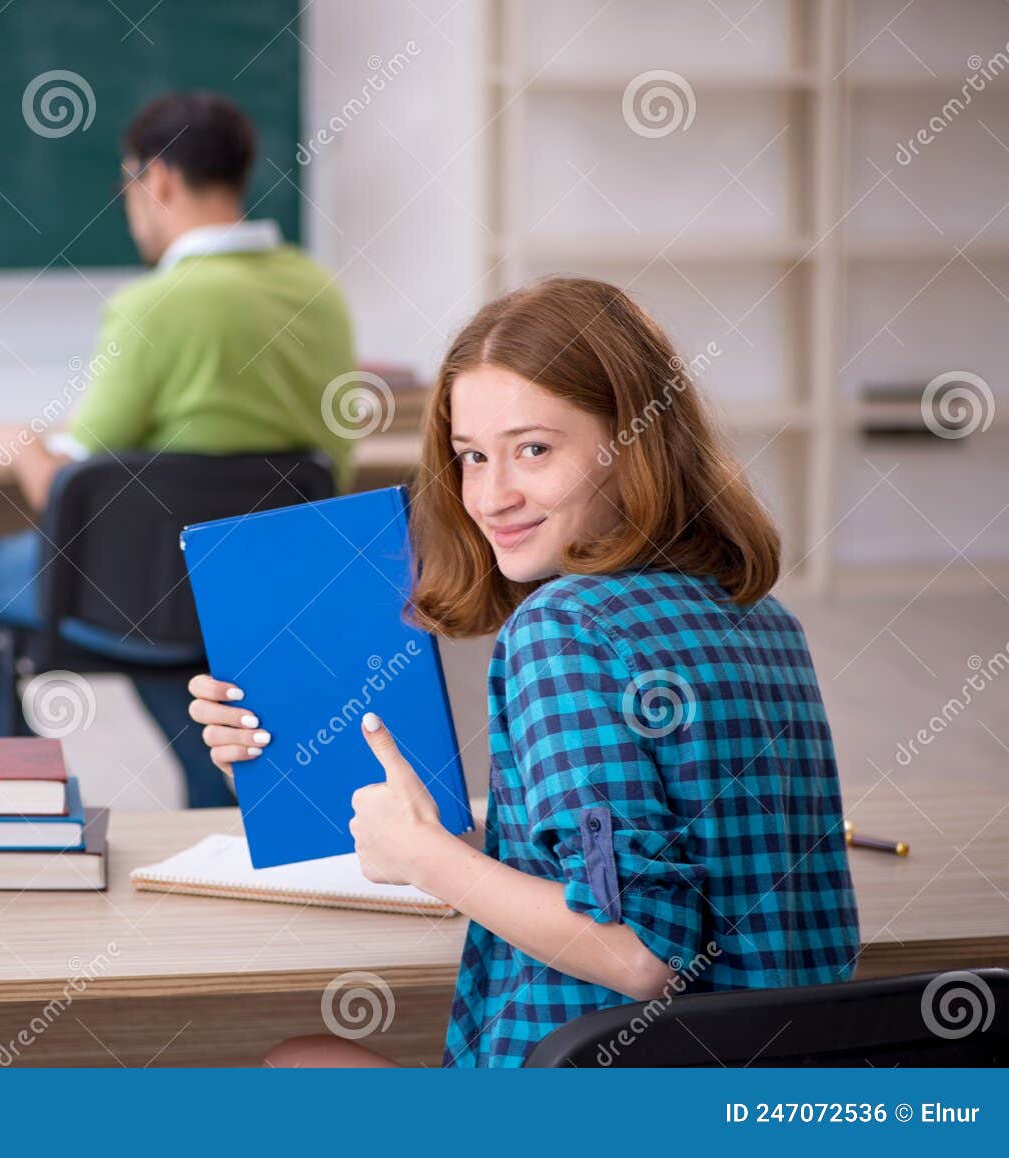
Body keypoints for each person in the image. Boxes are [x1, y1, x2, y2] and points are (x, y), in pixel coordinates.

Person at [187, 276, 861, 1065]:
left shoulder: (564, 626)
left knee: (293, 1065)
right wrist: (281, 770)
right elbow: (611, 867)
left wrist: (428, 859)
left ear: (634, 445)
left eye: (534, 449)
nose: (492, 496)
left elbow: (641, 952)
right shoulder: (762, 617)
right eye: (472, 458)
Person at [0, 91, 356, 808]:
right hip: (268, 586)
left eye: (128, 188)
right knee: (170, 617)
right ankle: (215, 803)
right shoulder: (317, 290)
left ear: (159, 179)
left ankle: (31, 800)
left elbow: (68, 489)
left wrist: (23, 447)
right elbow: (337, 457)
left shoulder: (153, 306)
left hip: (151, 588)